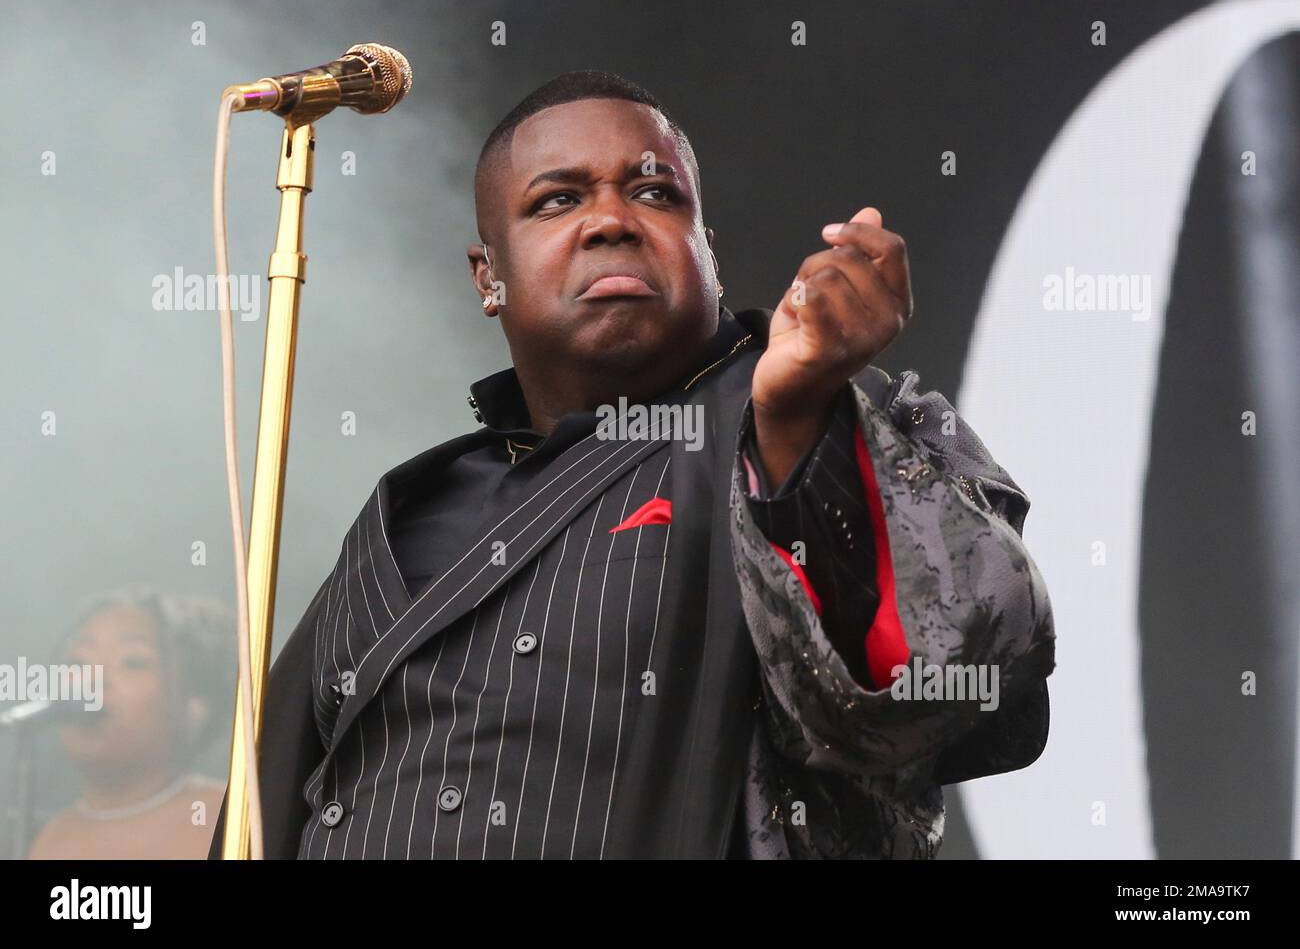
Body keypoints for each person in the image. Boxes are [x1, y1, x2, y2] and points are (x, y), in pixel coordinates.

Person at [210, 69, 1055, 859]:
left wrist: (801, 420)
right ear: (488, 276)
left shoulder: (815, 413)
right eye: (558, 199)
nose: (611, 218)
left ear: (706, 249)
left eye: (655, 193)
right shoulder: (411, 508)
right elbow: (264, 799)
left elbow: (959, 687)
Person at [28, 586, 231, 859]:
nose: (93, 681)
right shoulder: (48, 839)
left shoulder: (233, 818)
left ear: (195, 707)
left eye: (133, 662)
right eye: (78, 662)